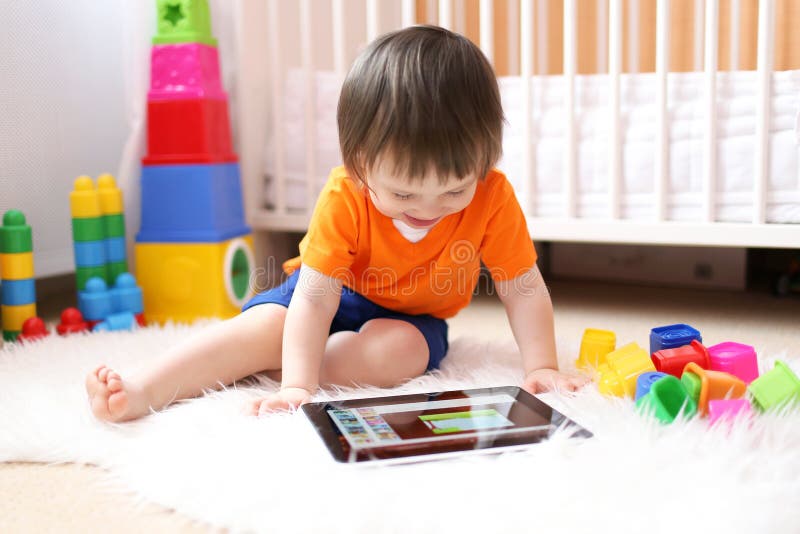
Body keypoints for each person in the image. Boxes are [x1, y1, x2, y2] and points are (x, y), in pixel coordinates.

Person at [86, 25, 588, 422]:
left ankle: (266, 363)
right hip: (328, 291)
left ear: (484, 162)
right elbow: (316, 296)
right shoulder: (344, 194)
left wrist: (541, 366)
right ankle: (145, 386)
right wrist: (297, 388)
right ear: (359, 166)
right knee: (267, 326)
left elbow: (522, 288)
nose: (430, 208)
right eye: (402, 192)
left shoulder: (493, 196)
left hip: (413, 318)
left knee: (402, 354)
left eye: (455, 191)